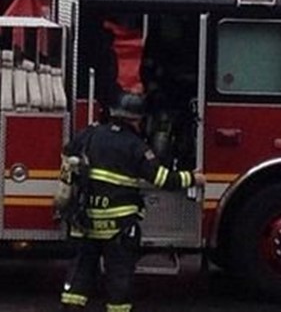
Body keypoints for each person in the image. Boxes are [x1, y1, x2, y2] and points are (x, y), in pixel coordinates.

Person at [57, 91, 205, 312]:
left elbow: (68, 153)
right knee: (119, 278)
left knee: (81, 274)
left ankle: (71, 308)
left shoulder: (90, 134)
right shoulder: (135, 146)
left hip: (84, 222)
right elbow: (162, 179)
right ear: (137, 120)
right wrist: (193, 178)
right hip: (118, 227)